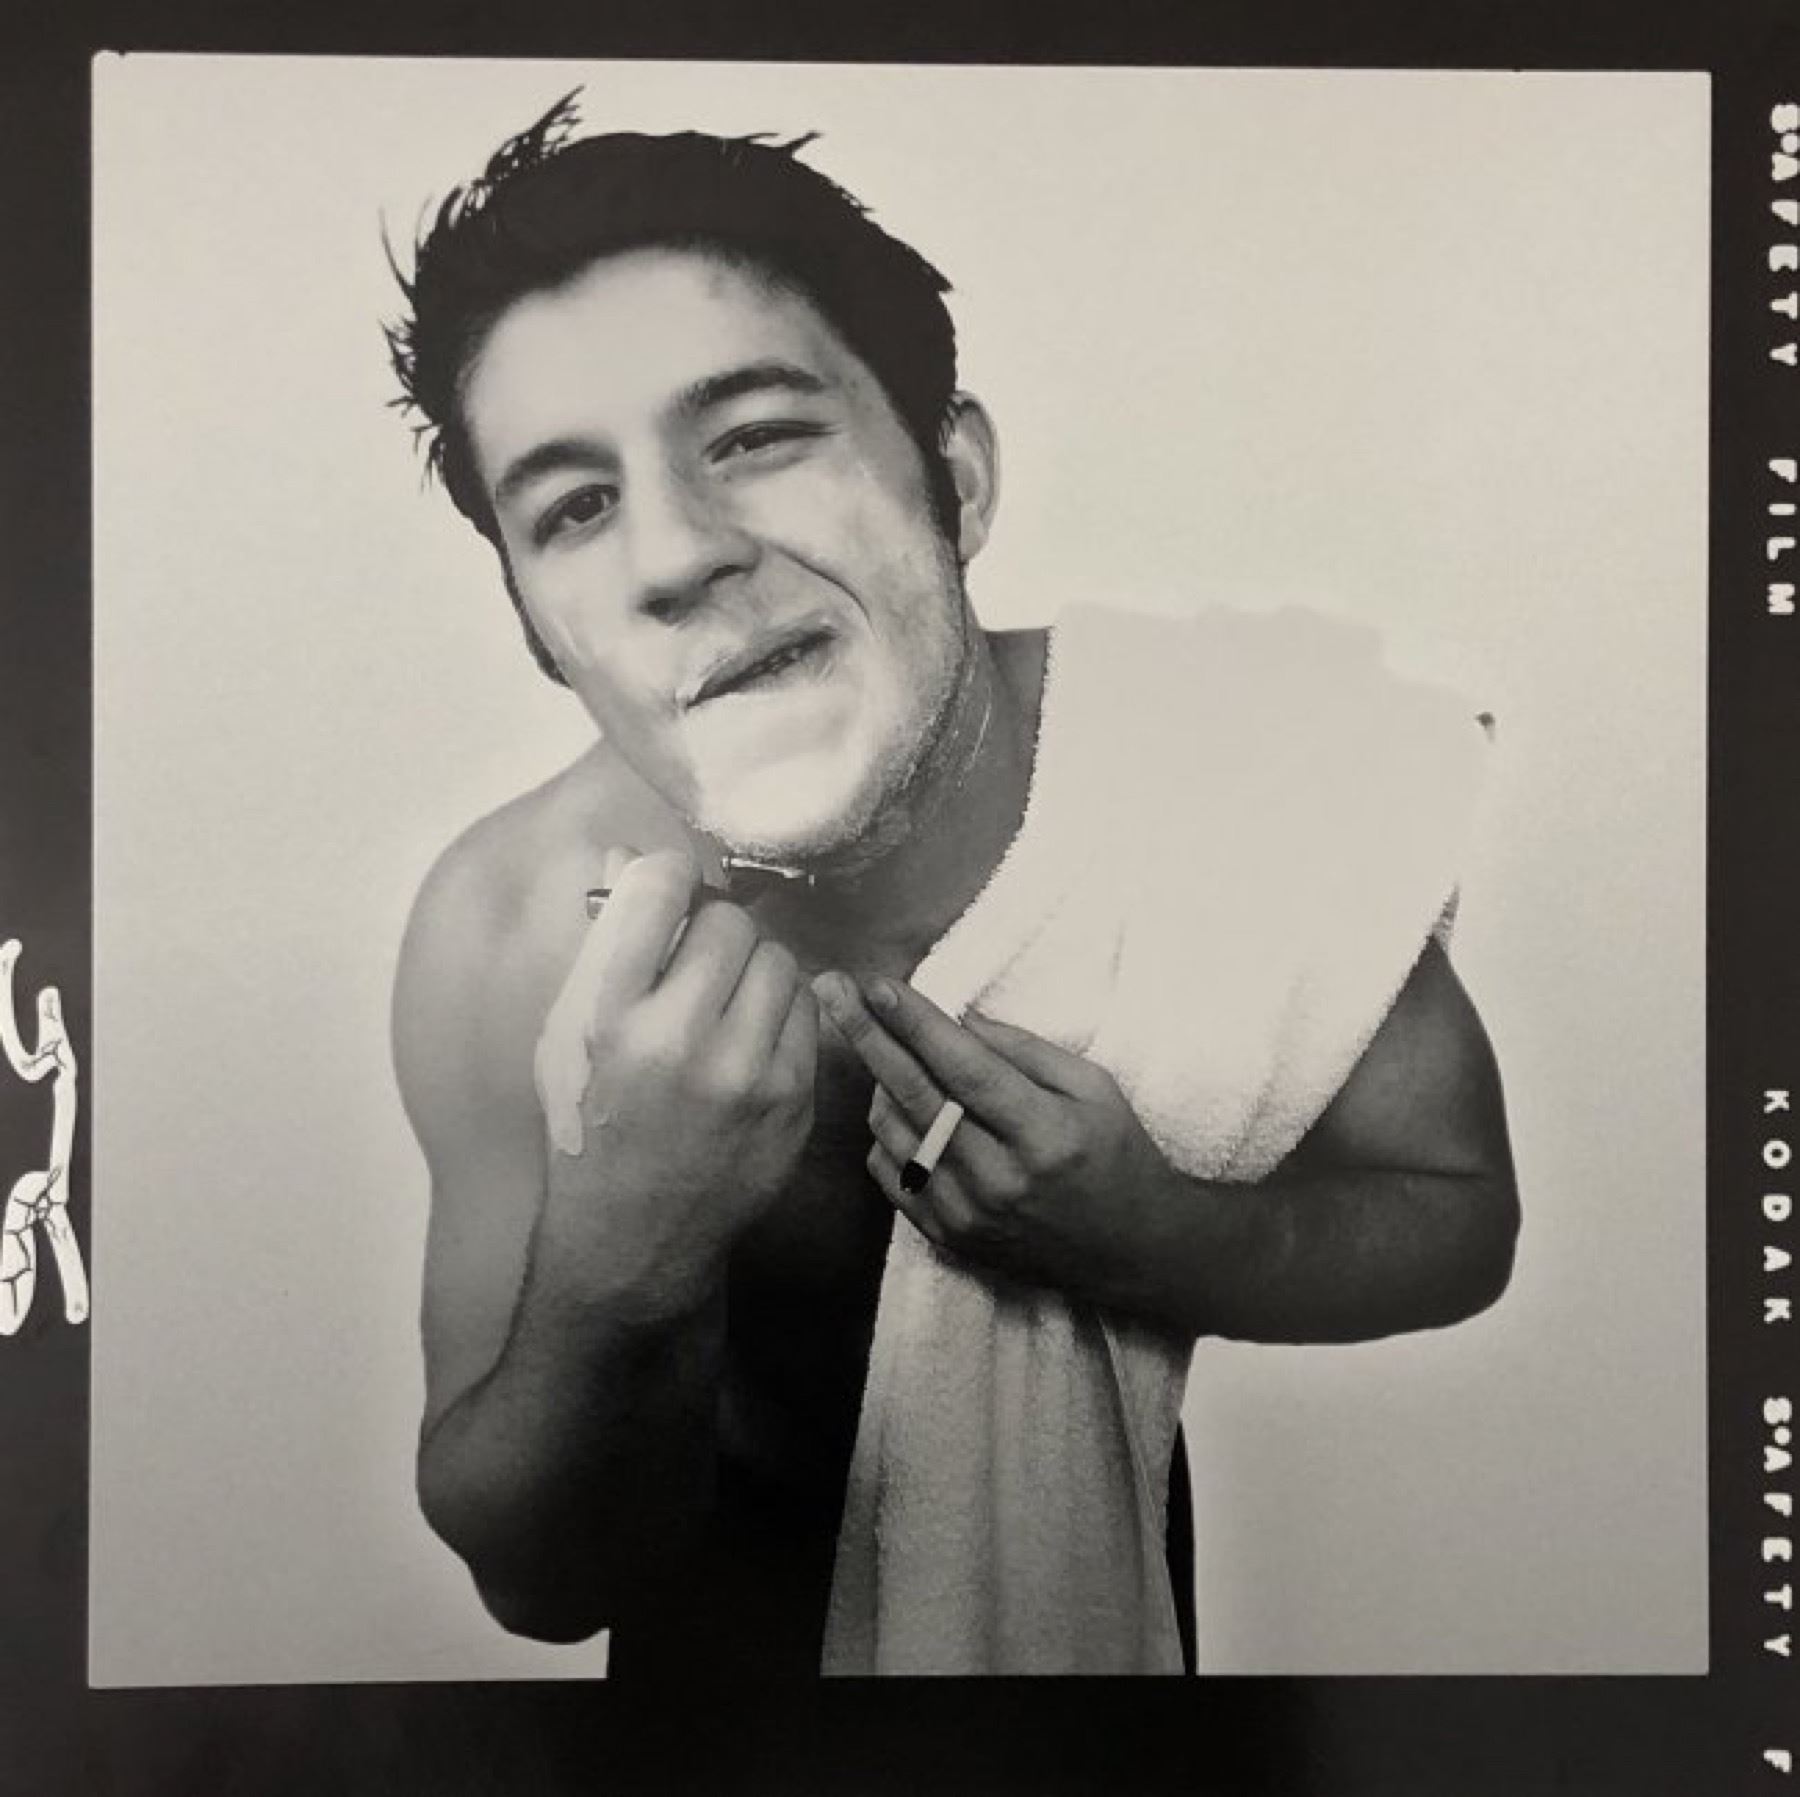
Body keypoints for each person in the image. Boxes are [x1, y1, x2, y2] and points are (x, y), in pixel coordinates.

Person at [386, 94, 1519, 1678]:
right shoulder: (506, 931)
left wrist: (1154, 1234)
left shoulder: (1218, 776)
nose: (674, 554)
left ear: (956, 481)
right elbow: (541, 1578)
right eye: (573, 506)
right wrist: (623, 1242)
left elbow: (1461, 1216)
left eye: (757, 435)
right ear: (537, 630)